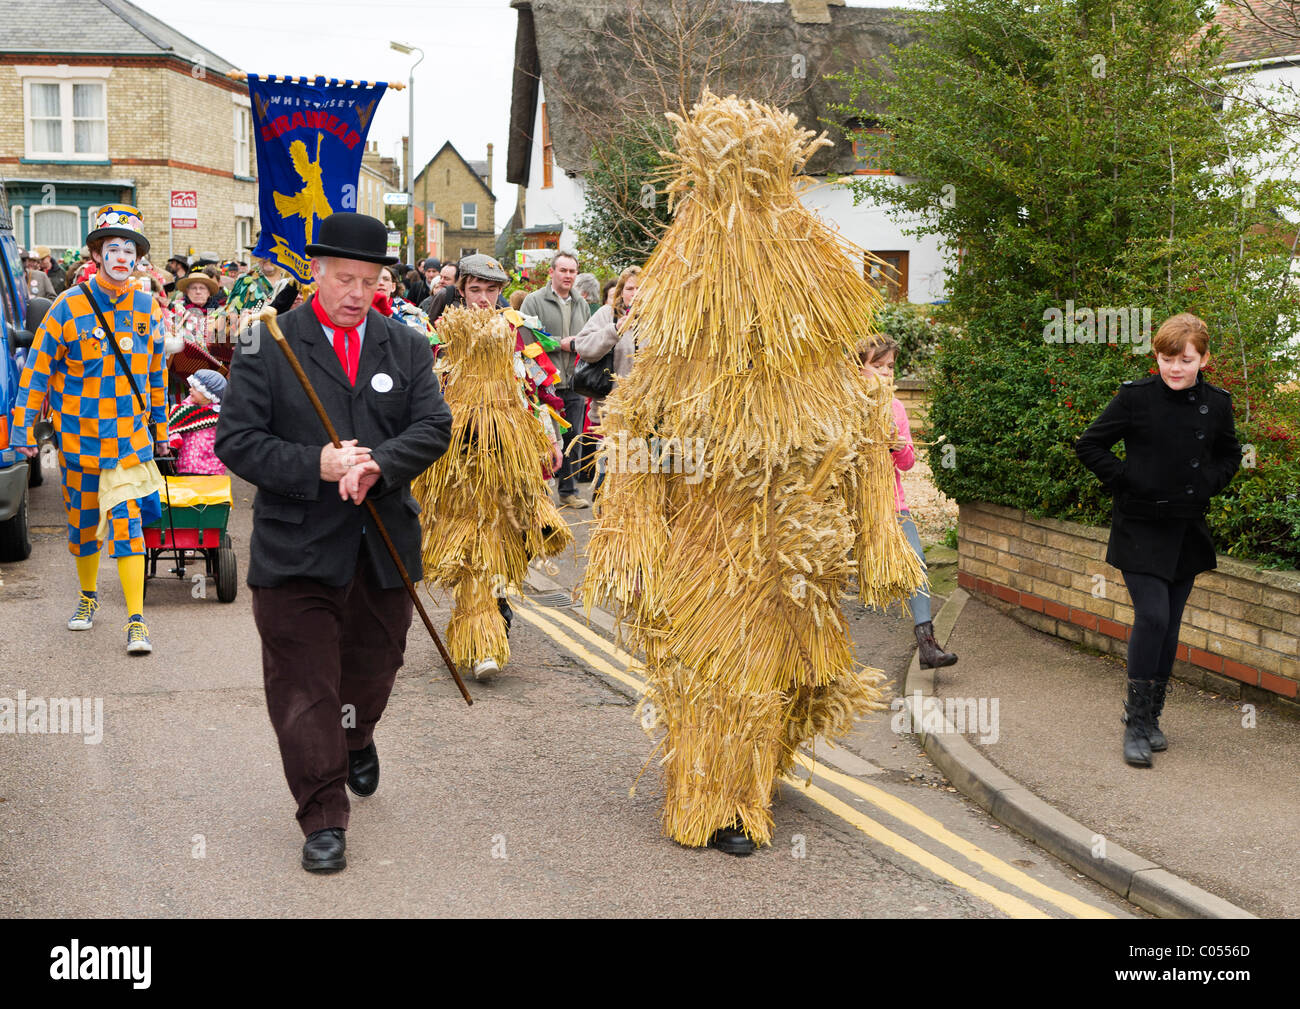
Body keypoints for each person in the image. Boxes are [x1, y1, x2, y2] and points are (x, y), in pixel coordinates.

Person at [215, 212, 453, 873]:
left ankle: (358, 736)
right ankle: (323, 813)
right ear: (315, 272)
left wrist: (381, 463)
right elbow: (236, 440)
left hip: (380, 545)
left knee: (370, 673)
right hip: (295, 550)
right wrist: (314, 463)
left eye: (369, 280)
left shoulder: (404, 346)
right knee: (303, 686)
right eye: (345, 278)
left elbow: (434, 424)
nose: (356, 292)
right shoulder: (267, 344)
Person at [1075, 313, 1241, 768]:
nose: (1175, 368)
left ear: (1203, 359)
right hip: (1141, 527)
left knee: (1169, 626)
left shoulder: (1218, 403)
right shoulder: (1135, 398)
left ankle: (1152, 719)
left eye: (1185, 360)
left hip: (1187, 529)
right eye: (1167, 359)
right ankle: (1134, 722)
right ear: (1157, 357)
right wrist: (1129, 481)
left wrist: (1207, 482)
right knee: (1152, 617)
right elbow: (1090, 445)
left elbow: (1229, 454)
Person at [10, 205, 168, 655]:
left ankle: (136, 622)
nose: (122, 256)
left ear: (139, 258)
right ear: (97, 253)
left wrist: (160, 429)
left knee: (127, 526)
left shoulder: (147, 307)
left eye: (130, 249)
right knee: (82, 529)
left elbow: (156, 375)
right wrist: (22, 434)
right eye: (113, 247)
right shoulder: (67, 306)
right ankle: (87, 596)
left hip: (127, 445)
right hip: (79, 442)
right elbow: (37, 374)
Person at [414, 254, 569, 682]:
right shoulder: (442, 332)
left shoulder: (517, 329)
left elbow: (539, 390)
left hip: (511, 452)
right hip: (459, 457)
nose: (484, 299)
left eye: (492, 290)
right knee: (469, 539)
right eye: (475, 289)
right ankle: (479, 633)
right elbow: (425, 390)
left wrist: (551, 441)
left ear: (500, 291)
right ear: (460, 290)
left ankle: (495, 620)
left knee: (507, 539)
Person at [857, 337, 957, 668]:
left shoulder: (896, 408)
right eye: (877, 366)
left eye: (890, 367)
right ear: (857, 369)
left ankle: (927, 644)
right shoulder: (844, 408)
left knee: (916, 565)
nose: (885, 374)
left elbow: (908, 462)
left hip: (892, 504)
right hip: (851, 510)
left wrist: (896, 443)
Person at [520, 251, 590, 508]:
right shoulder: (534, 300)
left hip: (574, 382)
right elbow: (525, 339)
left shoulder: (581, 303)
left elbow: (588, 335)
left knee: (573, 437)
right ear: (552, 272)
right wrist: (558, 345)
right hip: (543, 384)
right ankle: (540, 494)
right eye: (563, 270)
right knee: (542, 440)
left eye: (572, 271)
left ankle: (568, 491)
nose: (568, 276)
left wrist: (581, 345)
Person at [573, 265, 640, 500]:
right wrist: (614, 331)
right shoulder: (606, 314)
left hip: (645, 417)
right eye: (630, 288)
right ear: (621, 291)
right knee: (608, 483)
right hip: (610, 415)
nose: (635, 293)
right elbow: (583, 347)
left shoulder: (660, 320)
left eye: (641, 288)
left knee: (637, 484)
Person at [168, 370, 227, 476]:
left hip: (212, 469)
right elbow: (175, 426)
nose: (190, 389)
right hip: (187, 466)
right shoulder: (186, 410)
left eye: (195, 388)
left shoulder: (218, 415)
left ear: (207, 394)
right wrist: (174, 438)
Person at [374, 263, 437, 347]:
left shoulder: (409, 311)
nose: (381, 283)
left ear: (393, 287)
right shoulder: (359, 310)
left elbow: (420, 340)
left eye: (386, 279)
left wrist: (392, 315)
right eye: (376, 279)